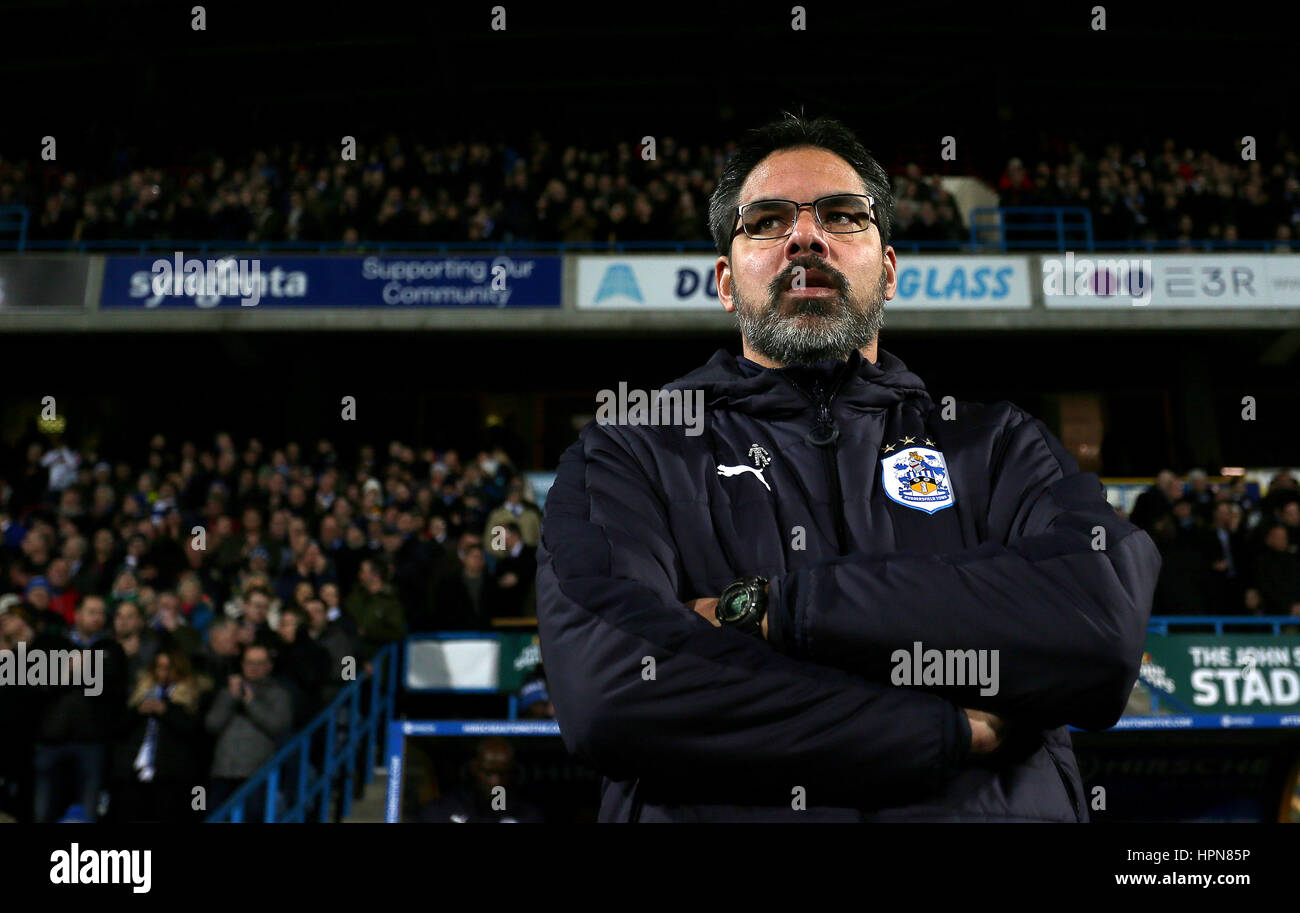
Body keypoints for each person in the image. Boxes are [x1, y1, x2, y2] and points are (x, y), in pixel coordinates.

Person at [535, 113, 1161, 823]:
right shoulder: (631, 452)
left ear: (888, 269)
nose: (806, 237)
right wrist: (941, 728)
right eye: (767, 221)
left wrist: (778, 613)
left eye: (842, 215)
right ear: (725, 281)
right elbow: (613, 688)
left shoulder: (999, 445)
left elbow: (1099, 627)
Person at [110, 649, 203, 822]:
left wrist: (166, 710)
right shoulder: (141, 691)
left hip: (169, 777)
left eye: (168, 668)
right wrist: (138, 711)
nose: (164, 673)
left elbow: (193, 731)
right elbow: (119, 728)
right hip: (133, 773)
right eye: (159, 667)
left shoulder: (191, 696)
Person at [204, 644, 292, 820]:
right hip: (223, 772)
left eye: (260, 663)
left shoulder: (279, 694)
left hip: (255, 775)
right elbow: (212, 725)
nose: (253, 667)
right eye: (249, 662)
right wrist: (231, 698)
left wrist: (250, 703)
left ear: (269, 666)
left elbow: (278, 726)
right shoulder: (227, 692)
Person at [417, 738, 543, 823]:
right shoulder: (447, 807)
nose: (495, 781)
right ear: (474, 768)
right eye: (488, 773)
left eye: (502, 773)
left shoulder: (525, 813)